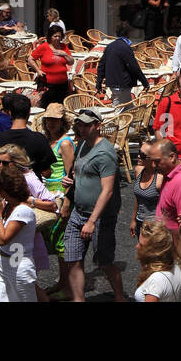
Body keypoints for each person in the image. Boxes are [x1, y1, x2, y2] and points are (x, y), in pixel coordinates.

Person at [63, 109, 125, 302]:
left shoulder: (105, 154)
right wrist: (72, 181)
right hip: (79, 211)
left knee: (104, 262)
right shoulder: (81, 145)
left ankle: (120, 296)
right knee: (73, 259)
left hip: (99, 217)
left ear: (98, 126)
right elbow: (82, 173)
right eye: (79, 124)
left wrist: (91, 221)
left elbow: (107, 191)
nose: (82, 128)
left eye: (86, 125)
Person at [0, 162, 38, 302]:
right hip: (4, 263)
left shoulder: (22, 211)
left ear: (5, 190)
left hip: (19, 267)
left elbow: (3, 239)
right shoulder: (10, 206)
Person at [0, 93, 54, 175]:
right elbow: (46, 173)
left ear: (10, 113)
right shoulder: (39, 139)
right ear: (29, 112)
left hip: (4, 187)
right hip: (30, 187)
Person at [134, 219, 181, 302]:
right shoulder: (174, 264)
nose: (137, 247)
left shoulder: (155, 282)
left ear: (154, 252)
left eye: (141, 245)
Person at [96, 26, 148, 106]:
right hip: (122, 84)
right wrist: (144, 82)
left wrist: (98, 83)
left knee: (128, 108)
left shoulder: (110, 46)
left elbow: (101, 66)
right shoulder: (125, 48)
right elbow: (133, 67)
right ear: (128, 34)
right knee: (119, 111)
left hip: (114, 83)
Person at [31, 26, 74, 106]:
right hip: (48, 85)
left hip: (62, 84)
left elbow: (71, 62)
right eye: (55, 36)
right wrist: (38, 70)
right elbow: (30, 59)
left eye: (59, 36)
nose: (57, 38)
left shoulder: (64, 47)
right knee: (47, 108)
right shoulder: (44, 47)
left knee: (60, 108)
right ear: (50, 36)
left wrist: (64, 54)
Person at [131, 139, 165, 238]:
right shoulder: (139, 170)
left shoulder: (160, 178)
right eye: (139, 152)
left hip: (154, 226)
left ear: (152, 158)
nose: (138, 156)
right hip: (140, 222)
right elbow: (138, 199)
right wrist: (133, 219)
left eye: (142, 155)